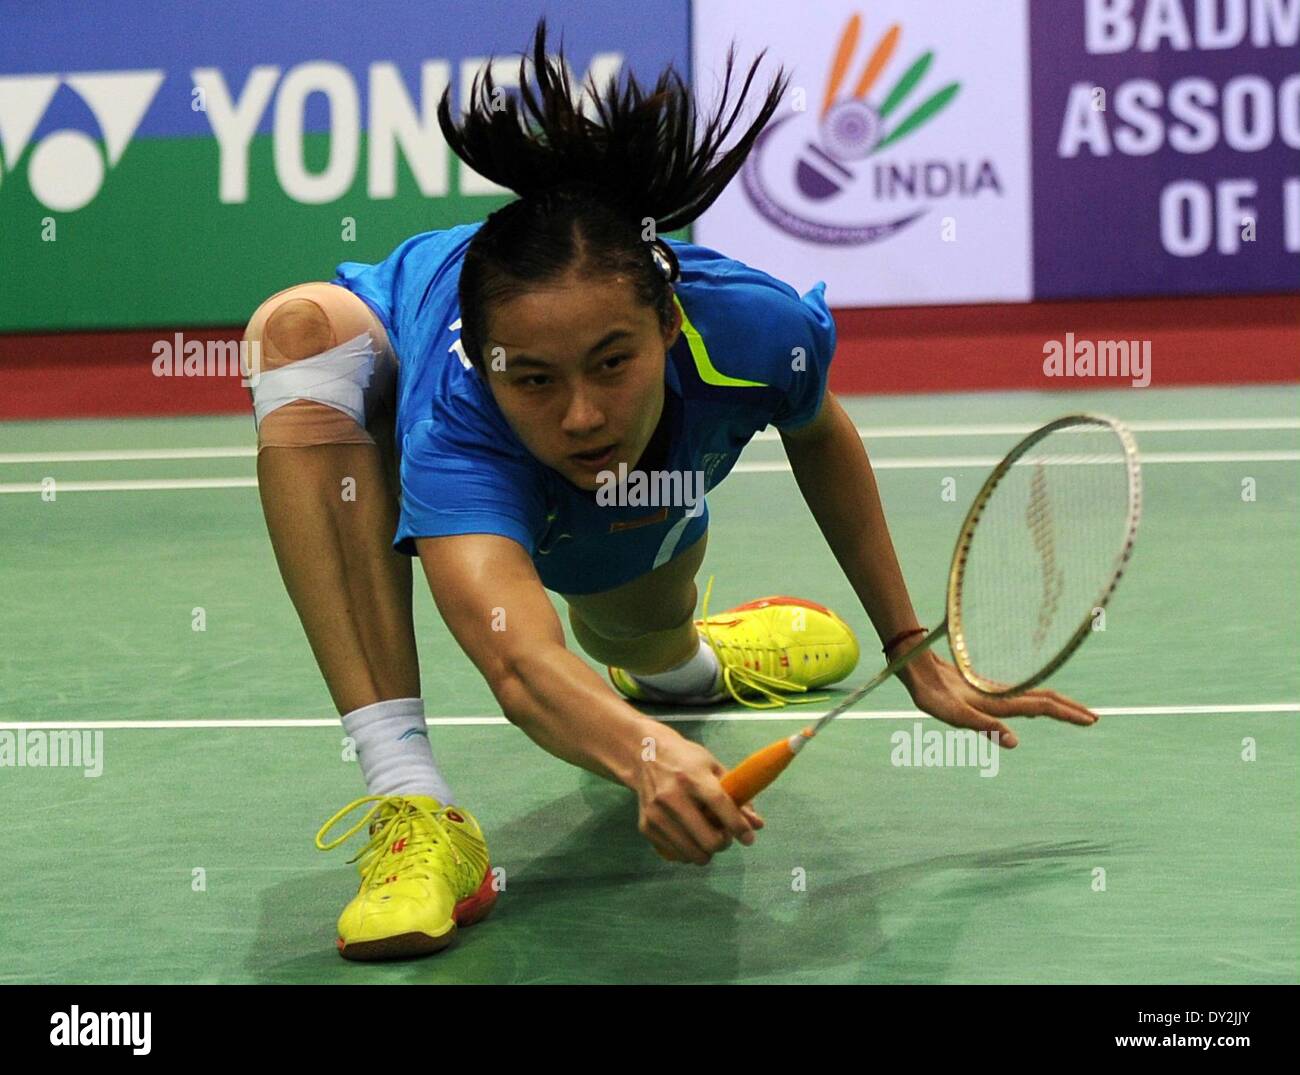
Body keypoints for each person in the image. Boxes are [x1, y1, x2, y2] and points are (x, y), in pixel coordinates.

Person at [244, 21, 1098, 961]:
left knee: (635, 630)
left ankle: (687, 665)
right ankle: (411, 803)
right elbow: (520, 661)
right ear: (490, 370)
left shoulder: (752, 327)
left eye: (613, 364)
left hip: (648, 503)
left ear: (668, 321)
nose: (580, 416)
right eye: (535, 380)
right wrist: (642, 757)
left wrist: (910, 647)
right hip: (465, 444)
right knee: (298, 334)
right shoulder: (458, 415)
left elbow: (820, 433)